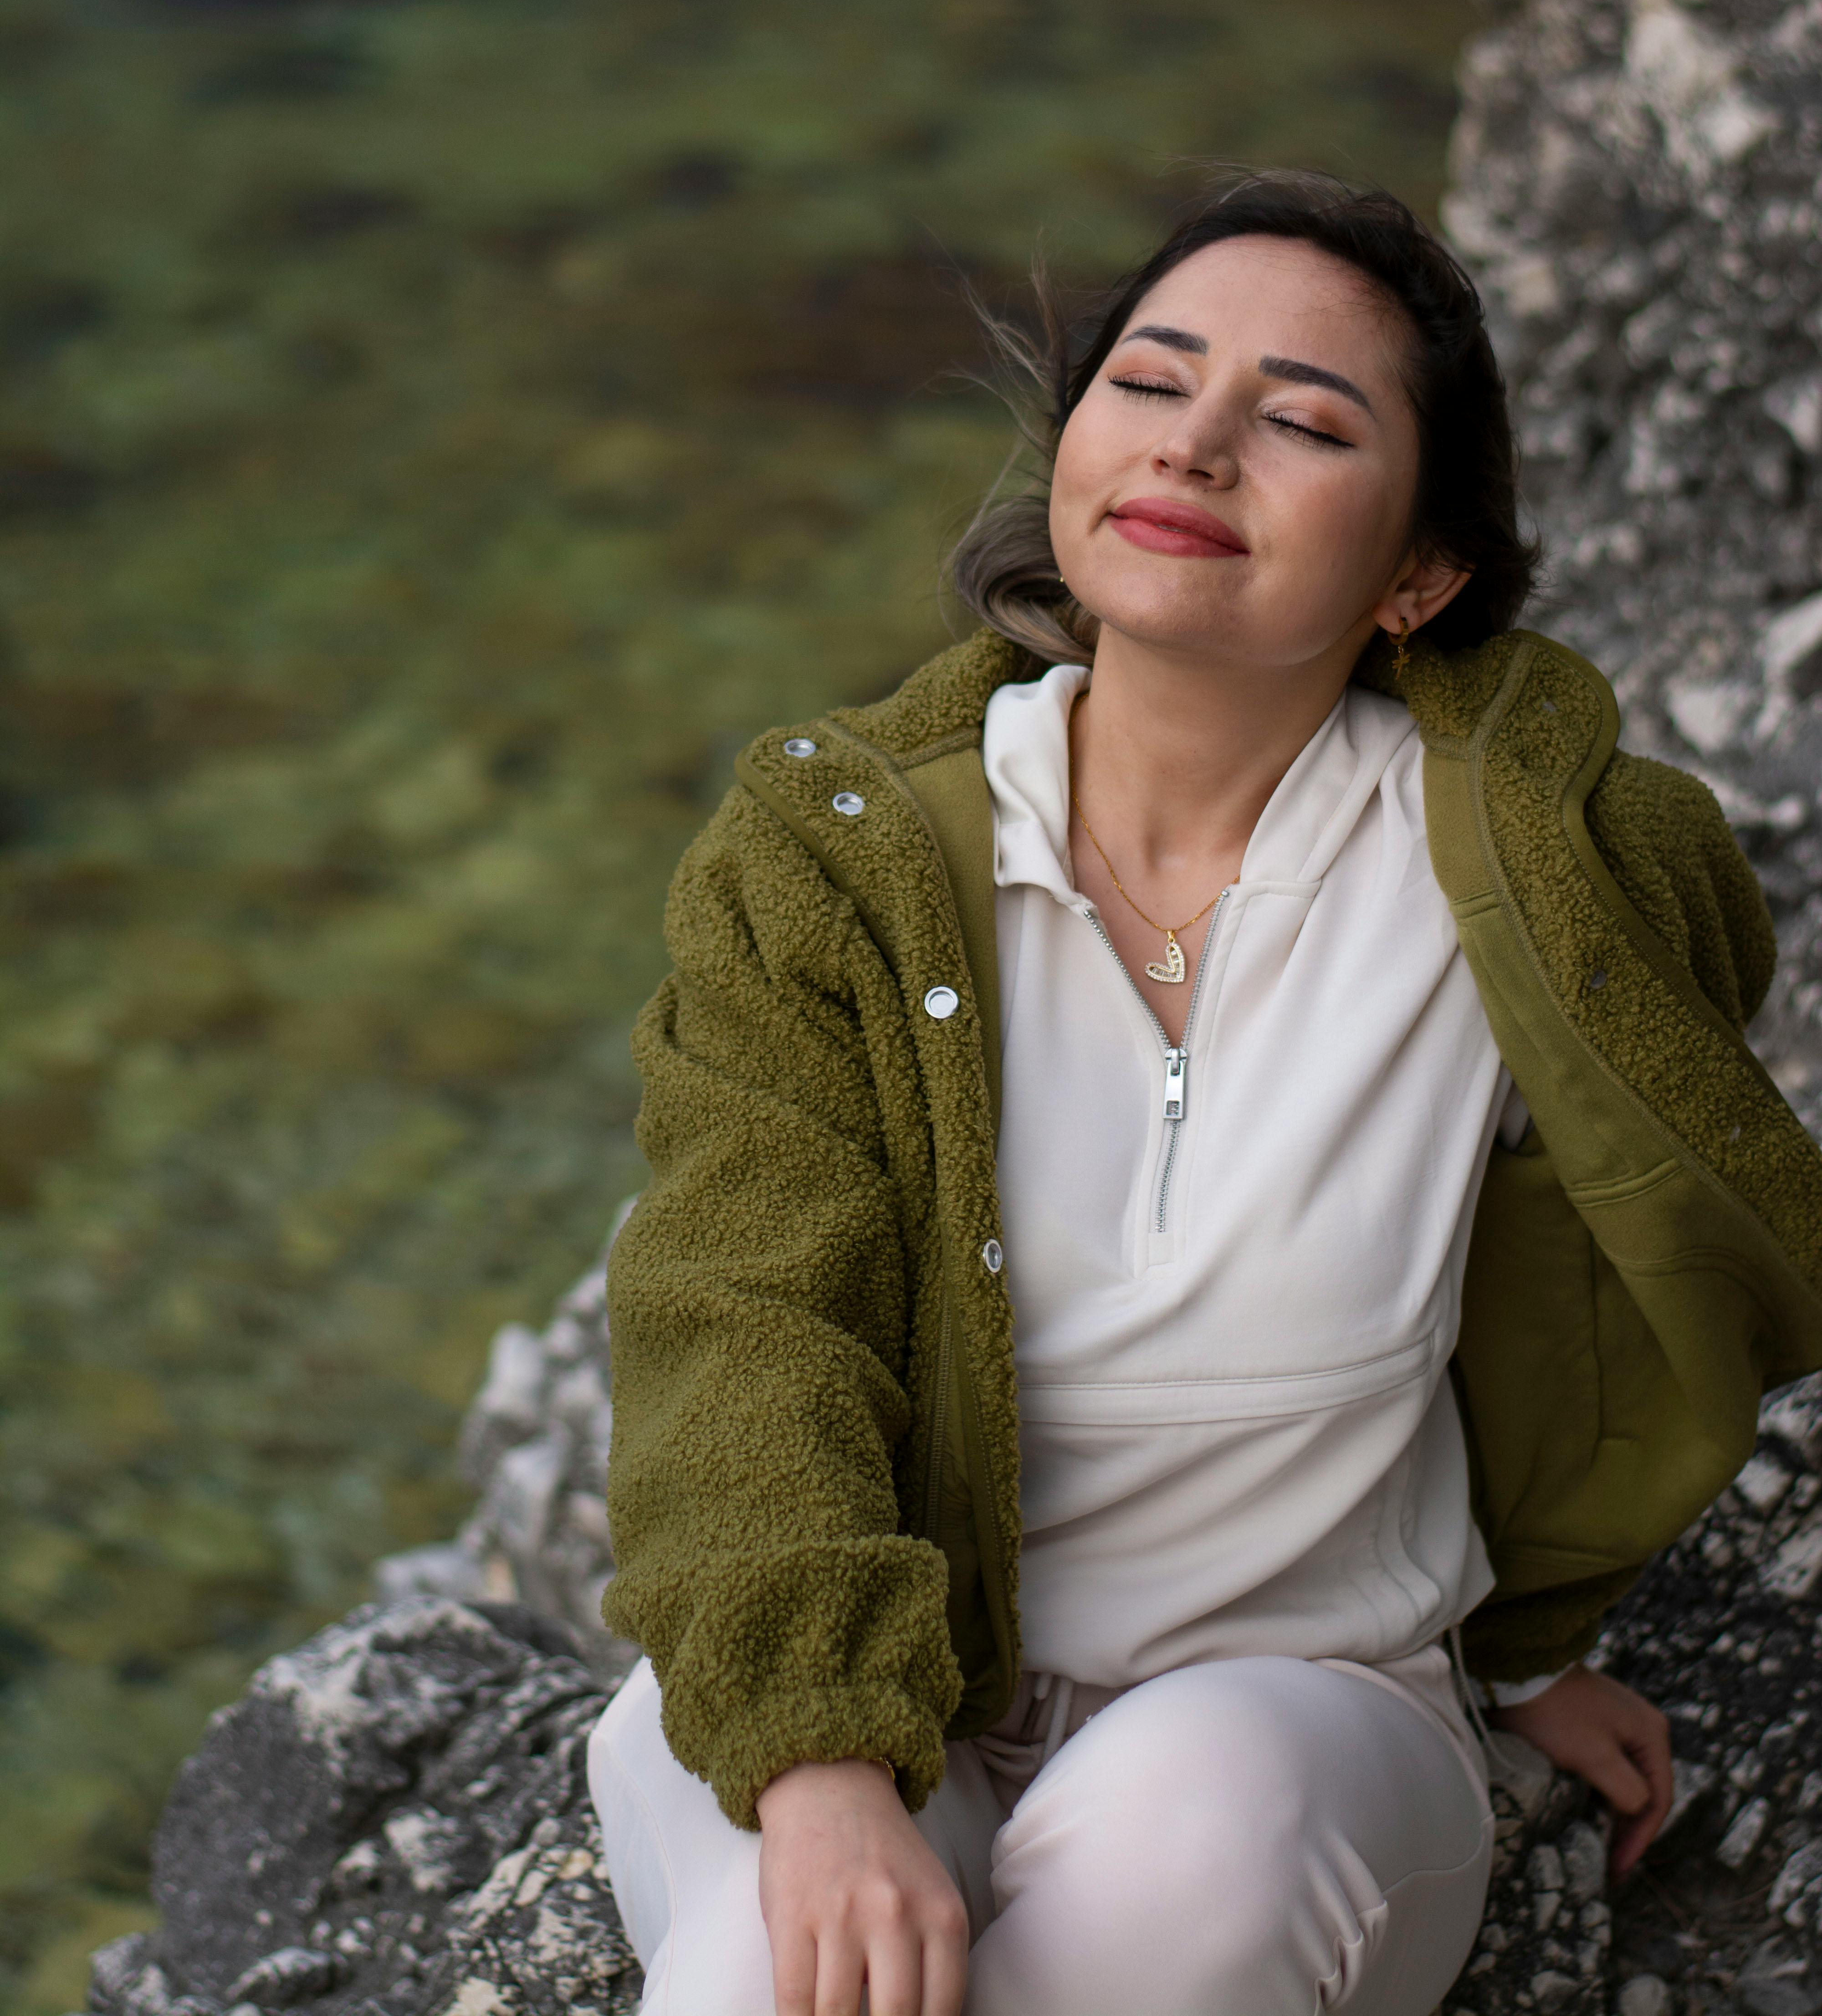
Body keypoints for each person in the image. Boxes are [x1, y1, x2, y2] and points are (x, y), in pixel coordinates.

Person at [586, 170, 1822, 2016]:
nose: (1200, 444)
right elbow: (739, 1312)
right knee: (766, 1977)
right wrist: (825, 1765)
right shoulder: (826, 853)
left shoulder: (1548, 883)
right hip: (850, 1669)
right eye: (1151, 382)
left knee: (1196, 1848)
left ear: (1419, 575)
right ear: (1074, 447)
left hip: (1295, 1718)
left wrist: (1526, 1629)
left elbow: (1638, 1257)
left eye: (1306, 420)